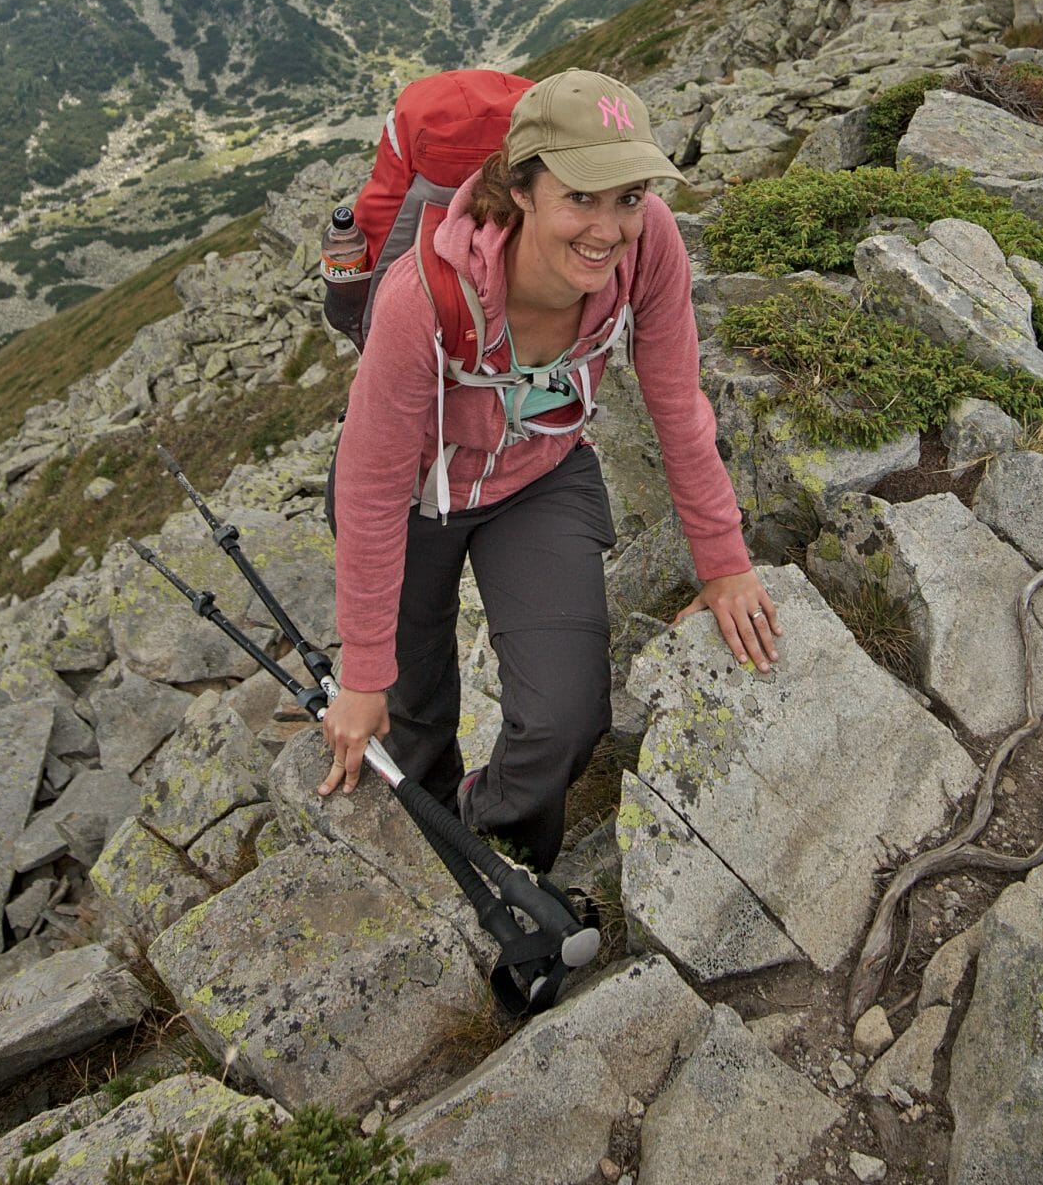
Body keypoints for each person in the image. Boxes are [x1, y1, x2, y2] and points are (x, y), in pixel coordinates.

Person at [318, 67, 780, 872]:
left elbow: (678, 404)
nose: (608, 228)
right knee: (412, 713)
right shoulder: (422, 294)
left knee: (567, 716)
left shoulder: (651, 246)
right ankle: (440, 865)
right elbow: (369, 485)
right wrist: (361, 670)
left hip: (540, 475)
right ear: (522, 188)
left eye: (629, 197)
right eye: (581, 197)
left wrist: (725, 562)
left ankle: (497, 844)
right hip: (414, 497)